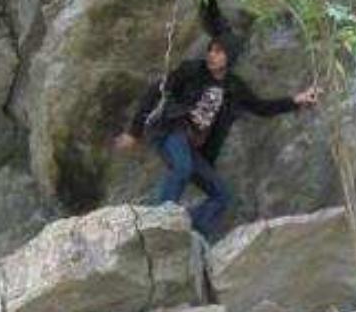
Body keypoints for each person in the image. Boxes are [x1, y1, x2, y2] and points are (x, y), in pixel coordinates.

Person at [116, 34, 318, 240]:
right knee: (182, 167)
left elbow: (261, 108)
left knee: (222, 196)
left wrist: (297, 100)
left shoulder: (234, 87)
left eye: (218, 52)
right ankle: (159, 220)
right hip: (170, 131)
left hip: (191, 146)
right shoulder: (192, 70)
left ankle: (188, 230)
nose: (212, 55)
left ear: (229, 56)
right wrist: (134, 132)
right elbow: (155, 91)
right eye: (210, 50)